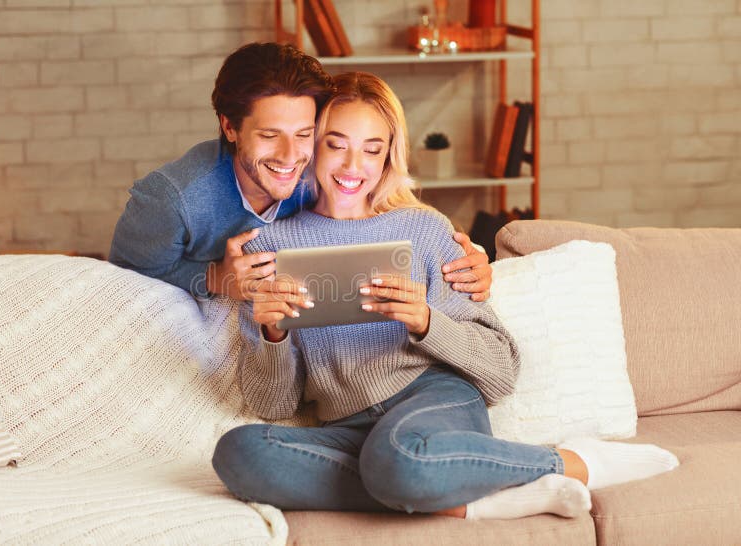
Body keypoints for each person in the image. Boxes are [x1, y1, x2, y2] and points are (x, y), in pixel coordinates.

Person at [211, 72, 679, 520]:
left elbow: (500, 371)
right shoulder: (270, 248)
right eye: (336, 146)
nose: (354, 167)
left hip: (434, 401)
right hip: (347, 427)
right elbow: (272, 406)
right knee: (242, 454)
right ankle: (469, 499)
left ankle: (571, 464)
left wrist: (426, 321)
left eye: (373, 150)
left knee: (399, 456)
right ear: (312, 146)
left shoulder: (425, 230)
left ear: (389, 156)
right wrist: (272, 333)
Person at [108, 42, 492, 303]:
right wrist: (213, 279)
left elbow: (386, 211)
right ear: (229, 128)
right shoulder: (170, 200)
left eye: (305, 134)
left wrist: (468, 260)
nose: (291, 157)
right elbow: (121, 283)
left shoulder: (322, 173)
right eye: (270, 135)